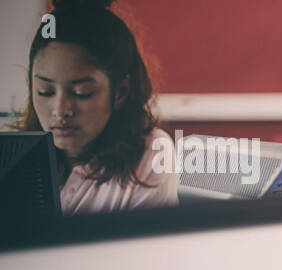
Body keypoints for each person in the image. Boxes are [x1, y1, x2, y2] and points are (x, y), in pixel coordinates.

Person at [11, 0, 177, 214]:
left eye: (82, 93)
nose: (60, 110)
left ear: (120, 92)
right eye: (45, 91)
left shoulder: (151, 152)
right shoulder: (15, 157)